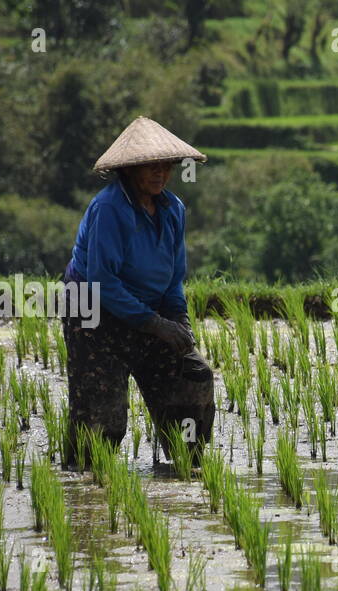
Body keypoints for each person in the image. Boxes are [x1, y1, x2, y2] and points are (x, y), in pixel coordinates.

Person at [60, 115, 215, 469]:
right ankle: (86, 483)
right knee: (103, 417)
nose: (159, 173)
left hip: (150, 312)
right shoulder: (109, 208)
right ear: (129, 170)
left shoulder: (173, 209)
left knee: (193, 378)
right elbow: (102, 280)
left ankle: (187, 467)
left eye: (165, 166)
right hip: (93, 310)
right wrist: (155, 324)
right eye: (150, 167)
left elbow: (174, 278)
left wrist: (178, 323)